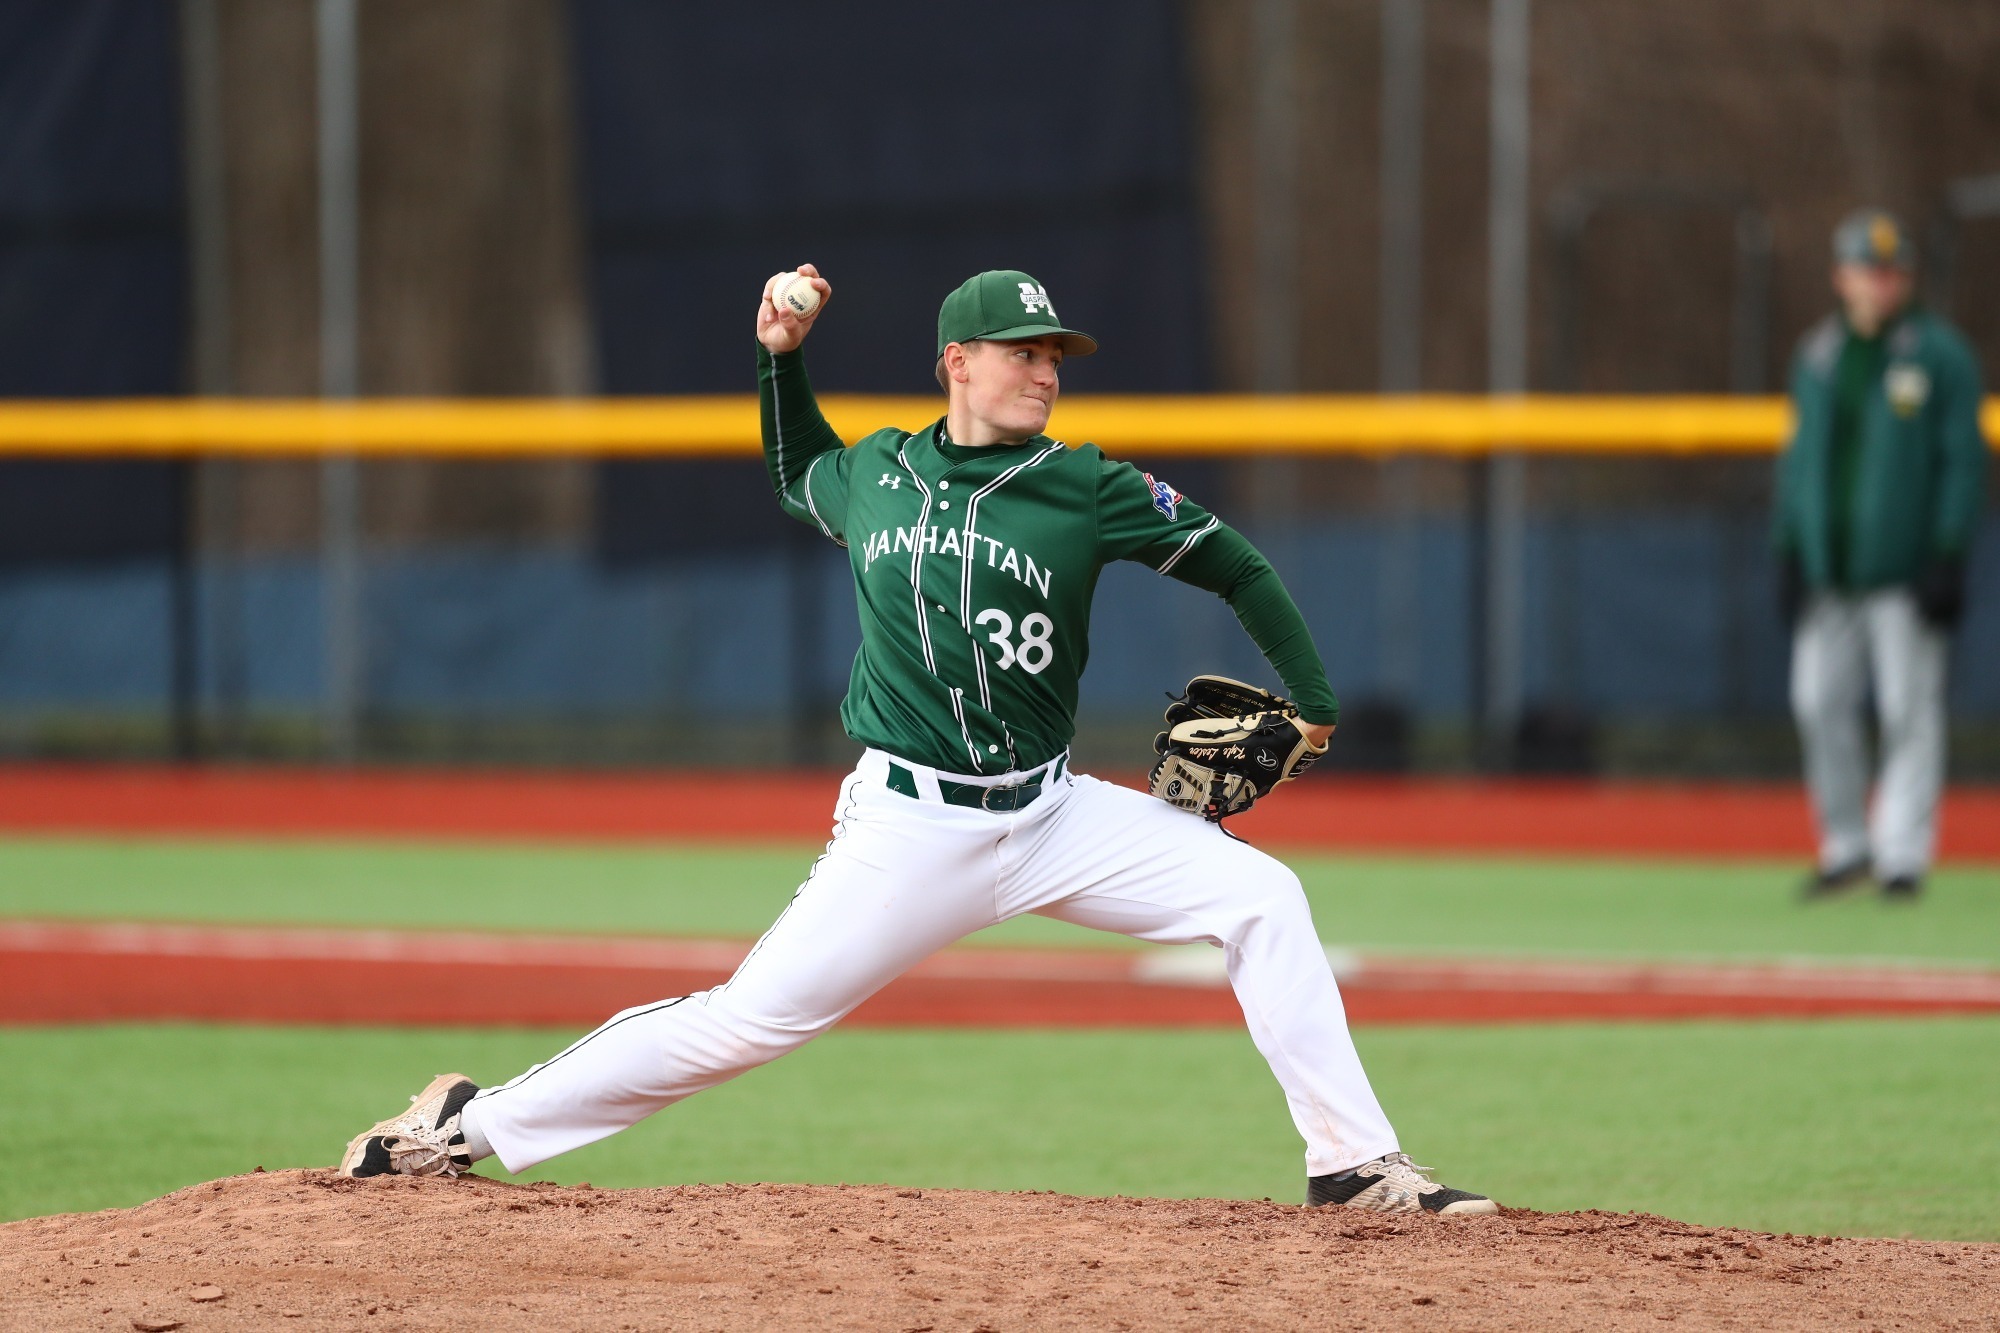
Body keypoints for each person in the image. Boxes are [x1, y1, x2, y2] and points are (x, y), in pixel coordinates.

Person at [338, 266, 1497, 1216]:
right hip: (908, 825)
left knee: (1262, 901)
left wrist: (1312, 700)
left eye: (1053, 356)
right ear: (957, 362)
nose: (1044, 371)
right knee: (747, 1021)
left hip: (1053, 815)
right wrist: (778, 358)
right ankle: (466, 1125)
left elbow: (1234, 561)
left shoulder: (1084, 488)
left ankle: (1349, 1164)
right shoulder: (876, 472)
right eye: (1022, 352)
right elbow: (797, 470)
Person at [1776, 210, 1989, 900]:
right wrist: (1788, 547)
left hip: (1904, 569)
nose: (1882, 282)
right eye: (1870, 269)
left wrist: (1949, 548)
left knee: (1906, 708)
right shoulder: (1817, 357)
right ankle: (1846, 842)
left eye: (1893, 270)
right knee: (1816, 702)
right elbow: (1799, 461)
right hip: (1831, 569)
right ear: (1842, 276)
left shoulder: (1938, 355)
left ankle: (1902, 853)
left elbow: (1963, 460)